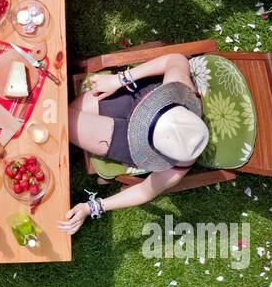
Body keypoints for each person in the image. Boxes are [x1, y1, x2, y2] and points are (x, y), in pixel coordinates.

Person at [57, 53, 210, 234]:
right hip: (135, 98)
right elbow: (175, 59)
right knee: (60, 114)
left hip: (125, 141)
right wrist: (120, 79)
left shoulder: (182, 157)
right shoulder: (180, 92)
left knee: (60, 121)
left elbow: (145, 191)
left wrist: (90, 207)